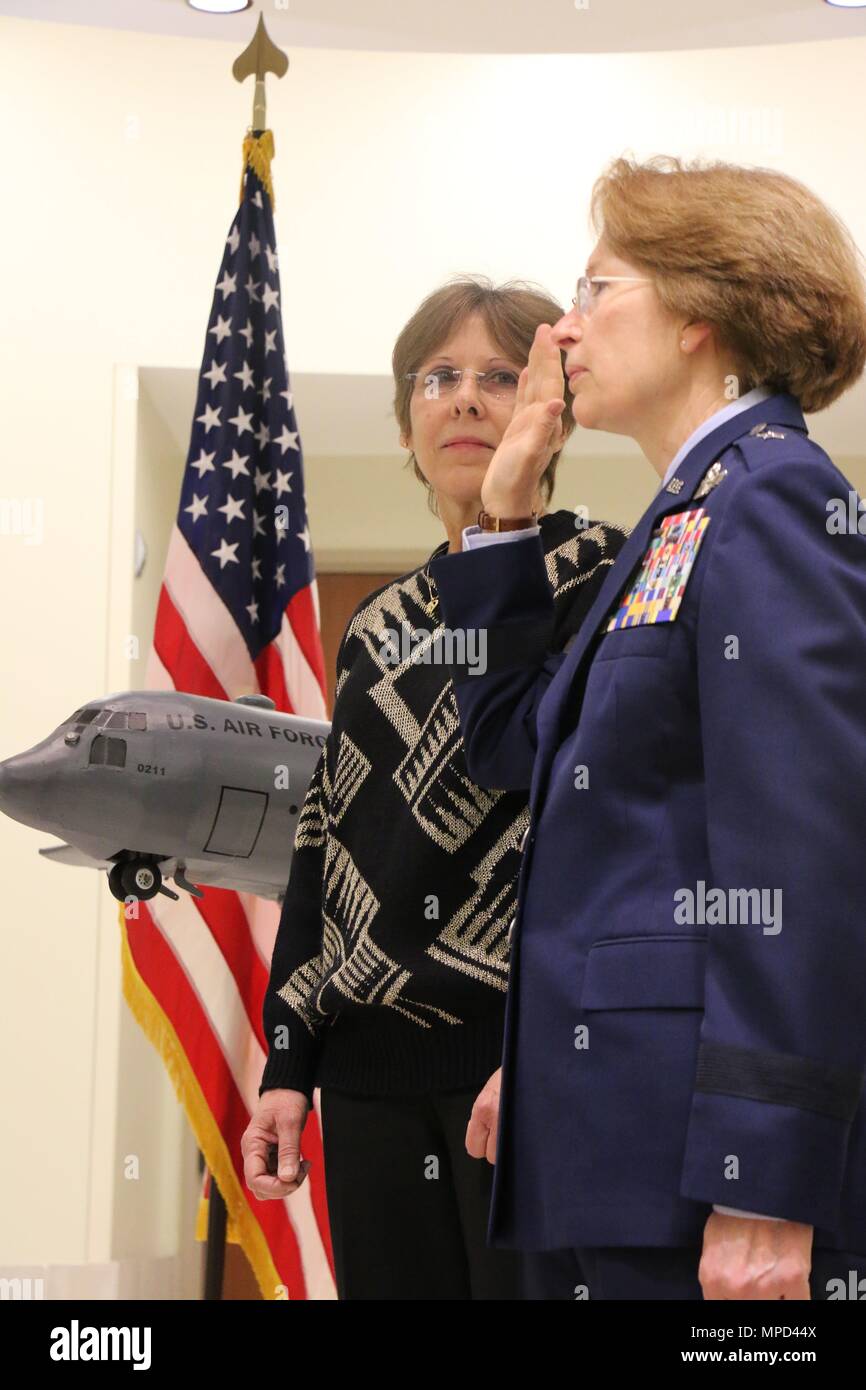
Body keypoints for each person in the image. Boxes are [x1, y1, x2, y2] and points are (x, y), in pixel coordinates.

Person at [428, 155, 866, 1300]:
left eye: (593, 290)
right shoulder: (679, 517)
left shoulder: (768, 497)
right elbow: (511, 746)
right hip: (611, 1131)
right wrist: (501, 519)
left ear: (697, 316)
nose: (558, 333)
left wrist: (764, 1170)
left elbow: (800, 856)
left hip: (699, 1166)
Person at [241, 275, 628, 1299]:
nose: (463, 399)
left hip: (519, 1062)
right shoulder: (373, 624)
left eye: (498, 376)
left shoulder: (601, 577)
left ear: (554, 409)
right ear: (406, 420)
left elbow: (610, 834)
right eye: (437, 378)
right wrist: (287, 1064)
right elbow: (324, 847)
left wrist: (547, 1044)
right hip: (362, 1074)